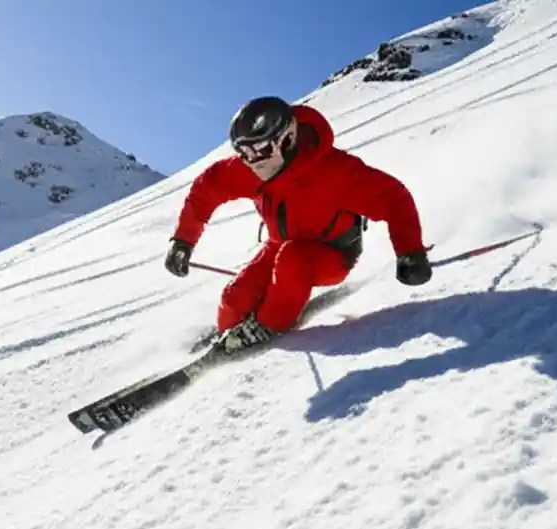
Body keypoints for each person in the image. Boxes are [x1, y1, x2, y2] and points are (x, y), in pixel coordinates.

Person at [164, 95, 432, 355]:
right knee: (236, 296)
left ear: (287, 138)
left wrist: (410, 253)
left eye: (261, 149)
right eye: (244, 152)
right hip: (279, 245)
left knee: (292, 260)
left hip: (332, 253)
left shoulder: (332, 171)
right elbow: (207, 189)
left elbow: (393, 198)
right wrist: (183, 241)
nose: (253, 160)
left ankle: (266, 326)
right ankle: (229, 330)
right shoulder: (250, 169)